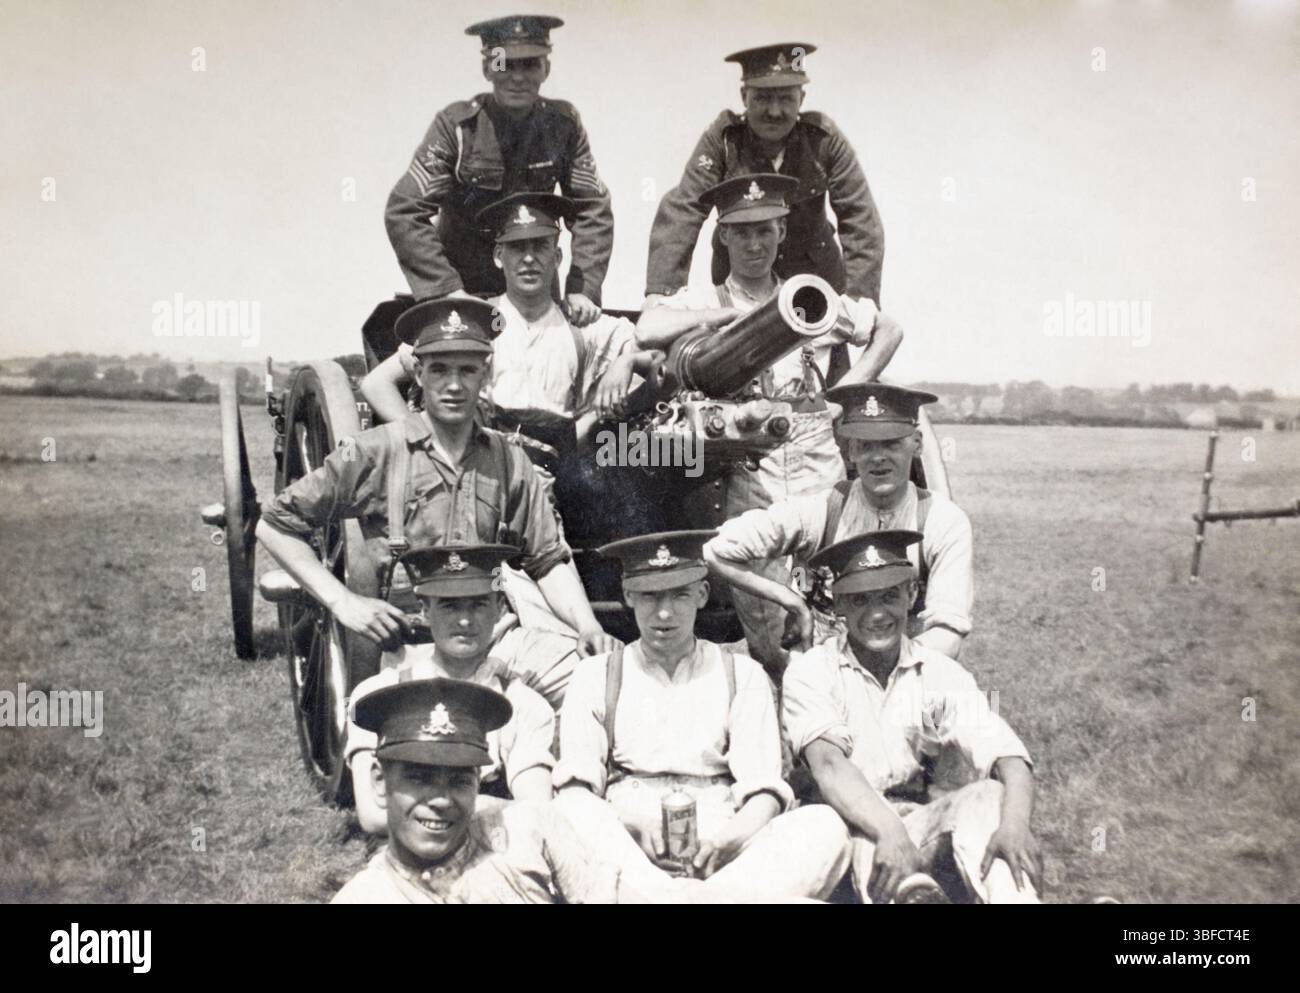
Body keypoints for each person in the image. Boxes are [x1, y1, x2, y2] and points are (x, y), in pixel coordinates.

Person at [638, 172, 902, 670]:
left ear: (782, 232)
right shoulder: (707, 301)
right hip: (748, 477)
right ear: (724, 236)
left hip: (817, 472)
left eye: (765, 230)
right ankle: (784, 712)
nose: (754, 244)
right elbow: (647, 327)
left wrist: (847, 393)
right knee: (765, 624)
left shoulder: (811, 298)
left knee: (830, 600)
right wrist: (715, 321)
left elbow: (888, 329)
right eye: (741, 232)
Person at [256, 297, 618, 659]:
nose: (454, 385)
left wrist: (588, 626)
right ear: (418, 374)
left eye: (467, 370)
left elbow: (548, 559)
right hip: (414, 651)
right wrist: (343, 602)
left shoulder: (509, 459)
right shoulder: (375, 452)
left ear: (485, 375)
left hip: (499, 643)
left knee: (592, 680)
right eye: (440, 369)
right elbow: (274, 525)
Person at [553, 530, 850, 902]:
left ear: (702, 595)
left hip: (721, 840)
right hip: (630, 843)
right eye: (649, 596)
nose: (664, 613)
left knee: (825, 827)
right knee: (569, 813)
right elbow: (576, 791)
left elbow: (764, 792)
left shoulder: (741, 674)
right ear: (628, 595)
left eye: (679, 594)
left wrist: (729, 841)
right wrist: (633, 826)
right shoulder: (597, 675)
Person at [781, 530, 1041, 904]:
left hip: (918, 819)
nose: (877, 614)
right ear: (838, 605)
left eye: (889, 596)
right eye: (860, 600)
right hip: (847, 825)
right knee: (893, 873)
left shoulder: (938, 671)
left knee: (989, 795)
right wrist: (890, 831)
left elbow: (1007, 755)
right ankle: (910, 892)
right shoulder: (812, 671)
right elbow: (829, 765)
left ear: (912, 595)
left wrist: (1015, 825)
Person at [645, 42, 885, 373]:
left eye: (786, 98)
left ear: (802, 99)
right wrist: (661, 295)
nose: (774, 111)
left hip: (814, 281)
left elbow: (860, 218)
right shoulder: (724, 139)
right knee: (732, 370)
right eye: (762, 98)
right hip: (742, 278)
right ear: (744, 98)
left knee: (825, 376)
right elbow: (684, 209)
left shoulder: (824, 140)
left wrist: (860, 299)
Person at [705, 382, 973, 662]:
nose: (878, 457)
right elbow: (717, 550)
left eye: (891, 443)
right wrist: (792, 602)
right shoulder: (823, 509)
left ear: (916, 443)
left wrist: (875, 678)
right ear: (851, 451)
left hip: (909, 676)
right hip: (827, 679)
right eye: (866, 445)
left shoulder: (943, 521)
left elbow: (948, 635)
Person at [332, 678, 649, 903]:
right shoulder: (367, 897)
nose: (442, 800)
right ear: (380, 782)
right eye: (420, 778)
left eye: (460, 781)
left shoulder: (526, 833)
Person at [365, 192, 644, 445]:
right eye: (517, 247)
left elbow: (654, 352)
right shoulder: (473, 321)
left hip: (558, 471)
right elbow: (376, 384)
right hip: (484, 468)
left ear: (557, 257)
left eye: (539, 246)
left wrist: (627, 361)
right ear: (499, 256)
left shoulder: (582, 327)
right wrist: (427, 441)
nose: (529, 259)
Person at [385, 14, 612, 325]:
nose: (516, 77)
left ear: (546, 69)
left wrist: (583, 289)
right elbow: (405, 210)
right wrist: (445, 291)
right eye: (504, 64)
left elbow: (592, 208)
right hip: (466, 292)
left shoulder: (563, 126)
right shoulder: (458, 127)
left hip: (535, 291)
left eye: (530, 64)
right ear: (487, 69)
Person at [346, 544, 567, 834]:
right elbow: (373, 815)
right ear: (425, 611)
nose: (464, 620)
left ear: (499, 610)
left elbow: (537, 810)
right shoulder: (378, 695)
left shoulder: (523, 704)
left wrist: (422, 807)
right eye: (449, 606)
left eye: (478, 604)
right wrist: (489, 806)